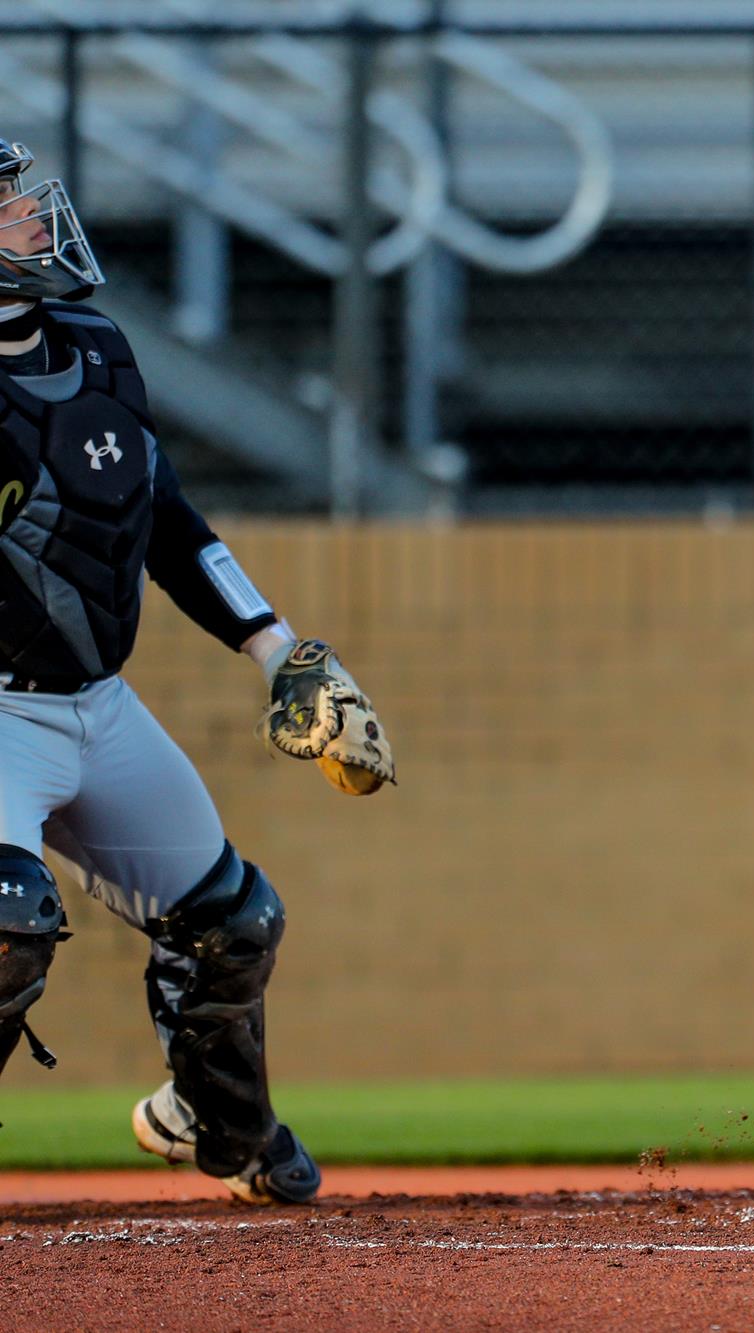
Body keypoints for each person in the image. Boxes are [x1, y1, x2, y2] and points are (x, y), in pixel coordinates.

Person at [0, 139, 395, 1205]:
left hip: (95, 700)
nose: (36, 215)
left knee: (232, 925)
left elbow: (161, 518)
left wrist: (275, 649)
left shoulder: (93, 342)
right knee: (5, 917)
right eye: (7, 205)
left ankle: (218, 1126)